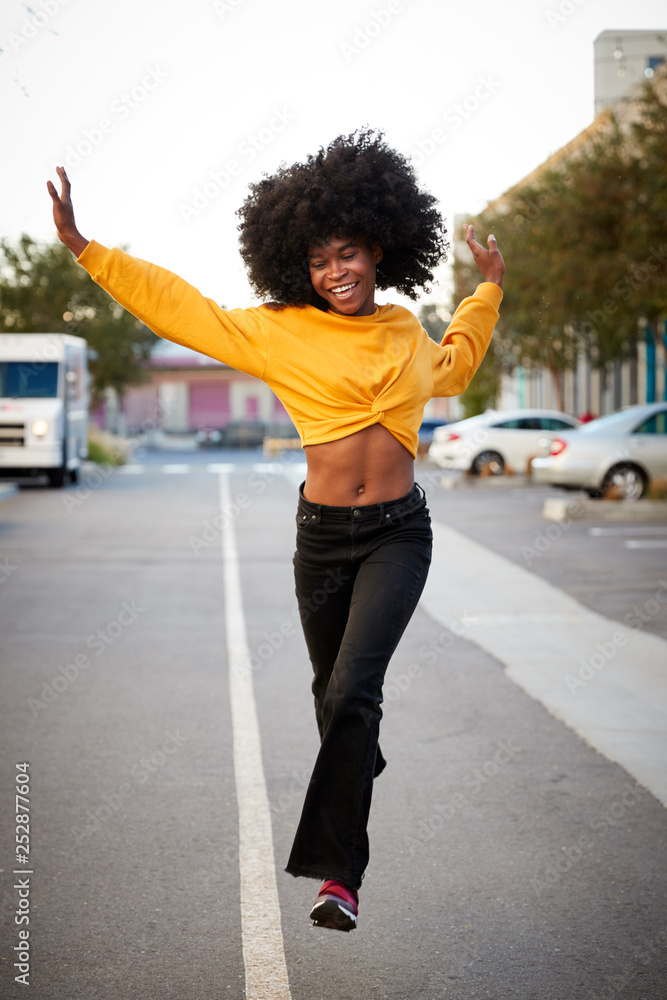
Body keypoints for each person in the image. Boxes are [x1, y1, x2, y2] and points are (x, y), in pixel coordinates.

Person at [48, 128, 504, 933]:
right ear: (301, 265)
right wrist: (88, 250)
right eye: (322, 259)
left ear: (379, 250)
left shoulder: (402, 332)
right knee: (333, 699)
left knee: (355, 689)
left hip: (398, 533)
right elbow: (183, 308)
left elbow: (459, 362)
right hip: (324, 539)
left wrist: (487, 290)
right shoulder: (277, 329)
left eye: (351, 253)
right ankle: (355, 750)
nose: (338, 271)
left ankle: (337, 878)